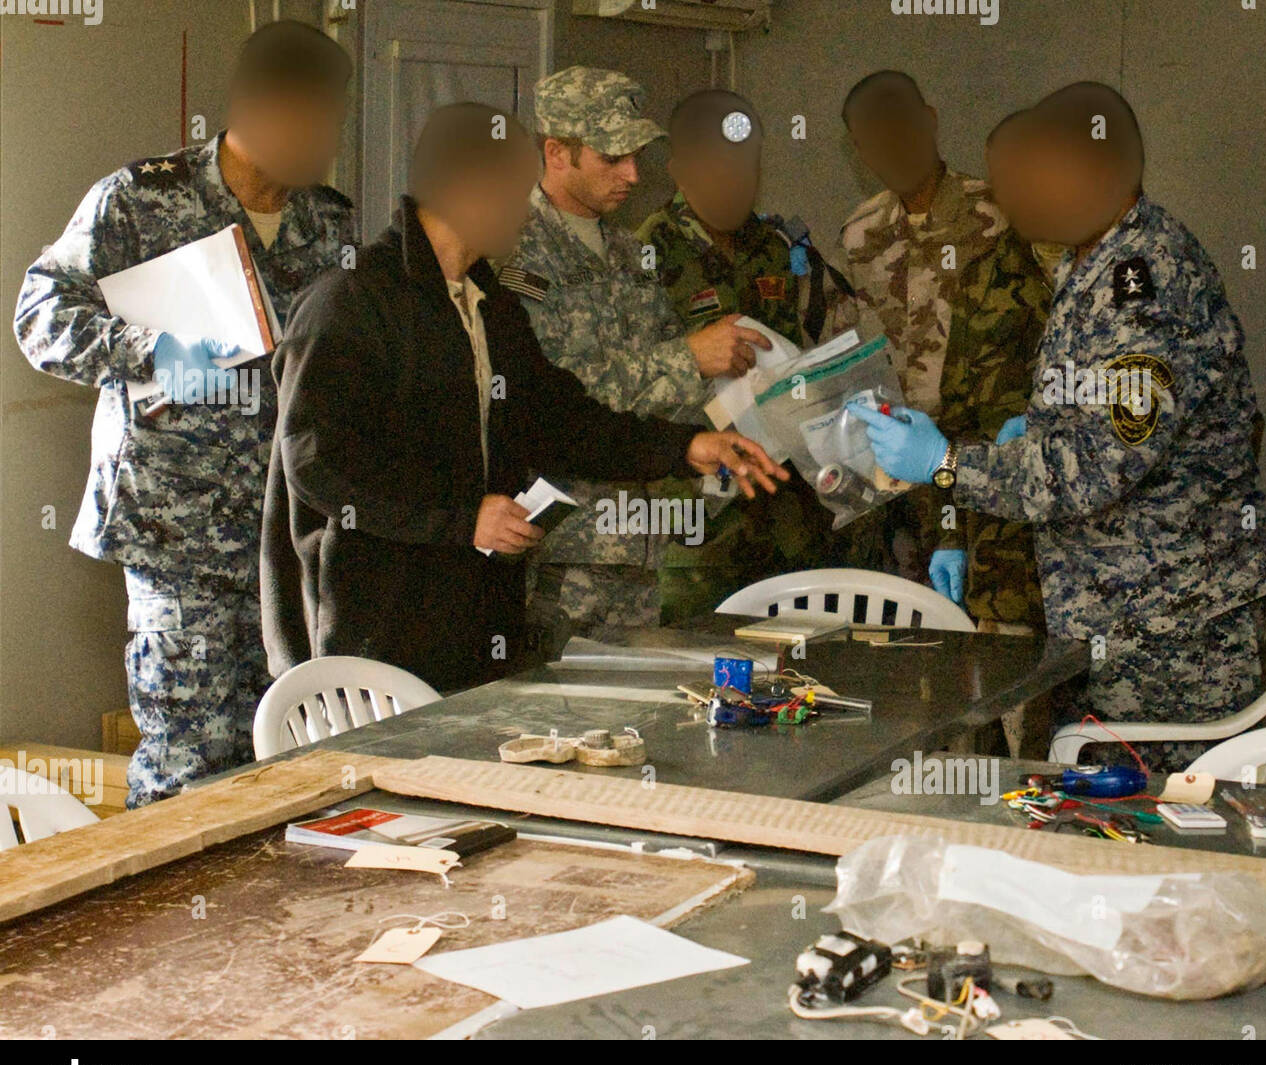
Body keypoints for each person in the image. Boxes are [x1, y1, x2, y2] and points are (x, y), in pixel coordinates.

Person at [261, 103, 788, 695]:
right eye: (518, 189)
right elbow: (319, 462)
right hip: (377, 629)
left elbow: (560, 422)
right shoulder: (353, 301)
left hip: (478, 620)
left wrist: (686, 447)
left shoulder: (491, 305)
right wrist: (463, 518)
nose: (527, 209)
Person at [854, 83, 1266, 770]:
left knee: (1158, 827)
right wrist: (1022, 441)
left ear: (1087, 172)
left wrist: (947, 465)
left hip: (1169, 630)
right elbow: (1093, 418)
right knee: (1093, 811)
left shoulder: (1144, 280)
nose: (1007, 201)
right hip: (1108, 611)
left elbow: (1096, 467)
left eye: (1021, 182)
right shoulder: (1090, 264)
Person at [13, 20, 355, 806]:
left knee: (280, 753)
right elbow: (39, 316)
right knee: (186, 759)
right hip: (178, 531)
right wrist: (157, 352)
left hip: (285, 533)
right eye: (312, 119)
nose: (325, 140)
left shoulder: (330, 222)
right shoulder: (142, 199)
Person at [497, 67, 771, 646]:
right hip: (566, 557)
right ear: (557, 152)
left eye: (637, 156)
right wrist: (689, 358)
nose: (632, 174)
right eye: (612, 157)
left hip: (644, 545)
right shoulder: (514, 248)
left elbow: (661, 386)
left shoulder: (629, 250)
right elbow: (555, 396)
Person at [638, 88, 838, 624]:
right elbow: (617, 391)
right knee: (698, 673)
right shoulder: (643, 255)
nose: (738, 185)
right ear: (680, 170)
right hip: (700, 516)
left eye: (748, 168)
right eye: (719, 169)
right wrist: (689, 356)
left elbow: (789, 350)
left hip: (784, 507)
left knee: (795, 672)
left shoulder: (773, 245)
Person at [831, 70, 1007, 583]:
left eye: (898, 131)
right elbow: (850, 345)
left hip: (980, 463)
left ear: (928, 121)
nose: (888, 150)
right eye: (870, 142)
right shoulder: (861, 233)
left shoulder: (998, 215)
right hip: (892, 474)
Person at [929, 111, 1055, 755]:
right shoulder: (985, 279)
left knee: (1085, 758)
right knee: (1000, 763)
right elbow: (956, 423)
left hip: (1105, 576)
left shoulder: (1125, 274)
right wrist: (950, 532)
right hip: (1002, 565)